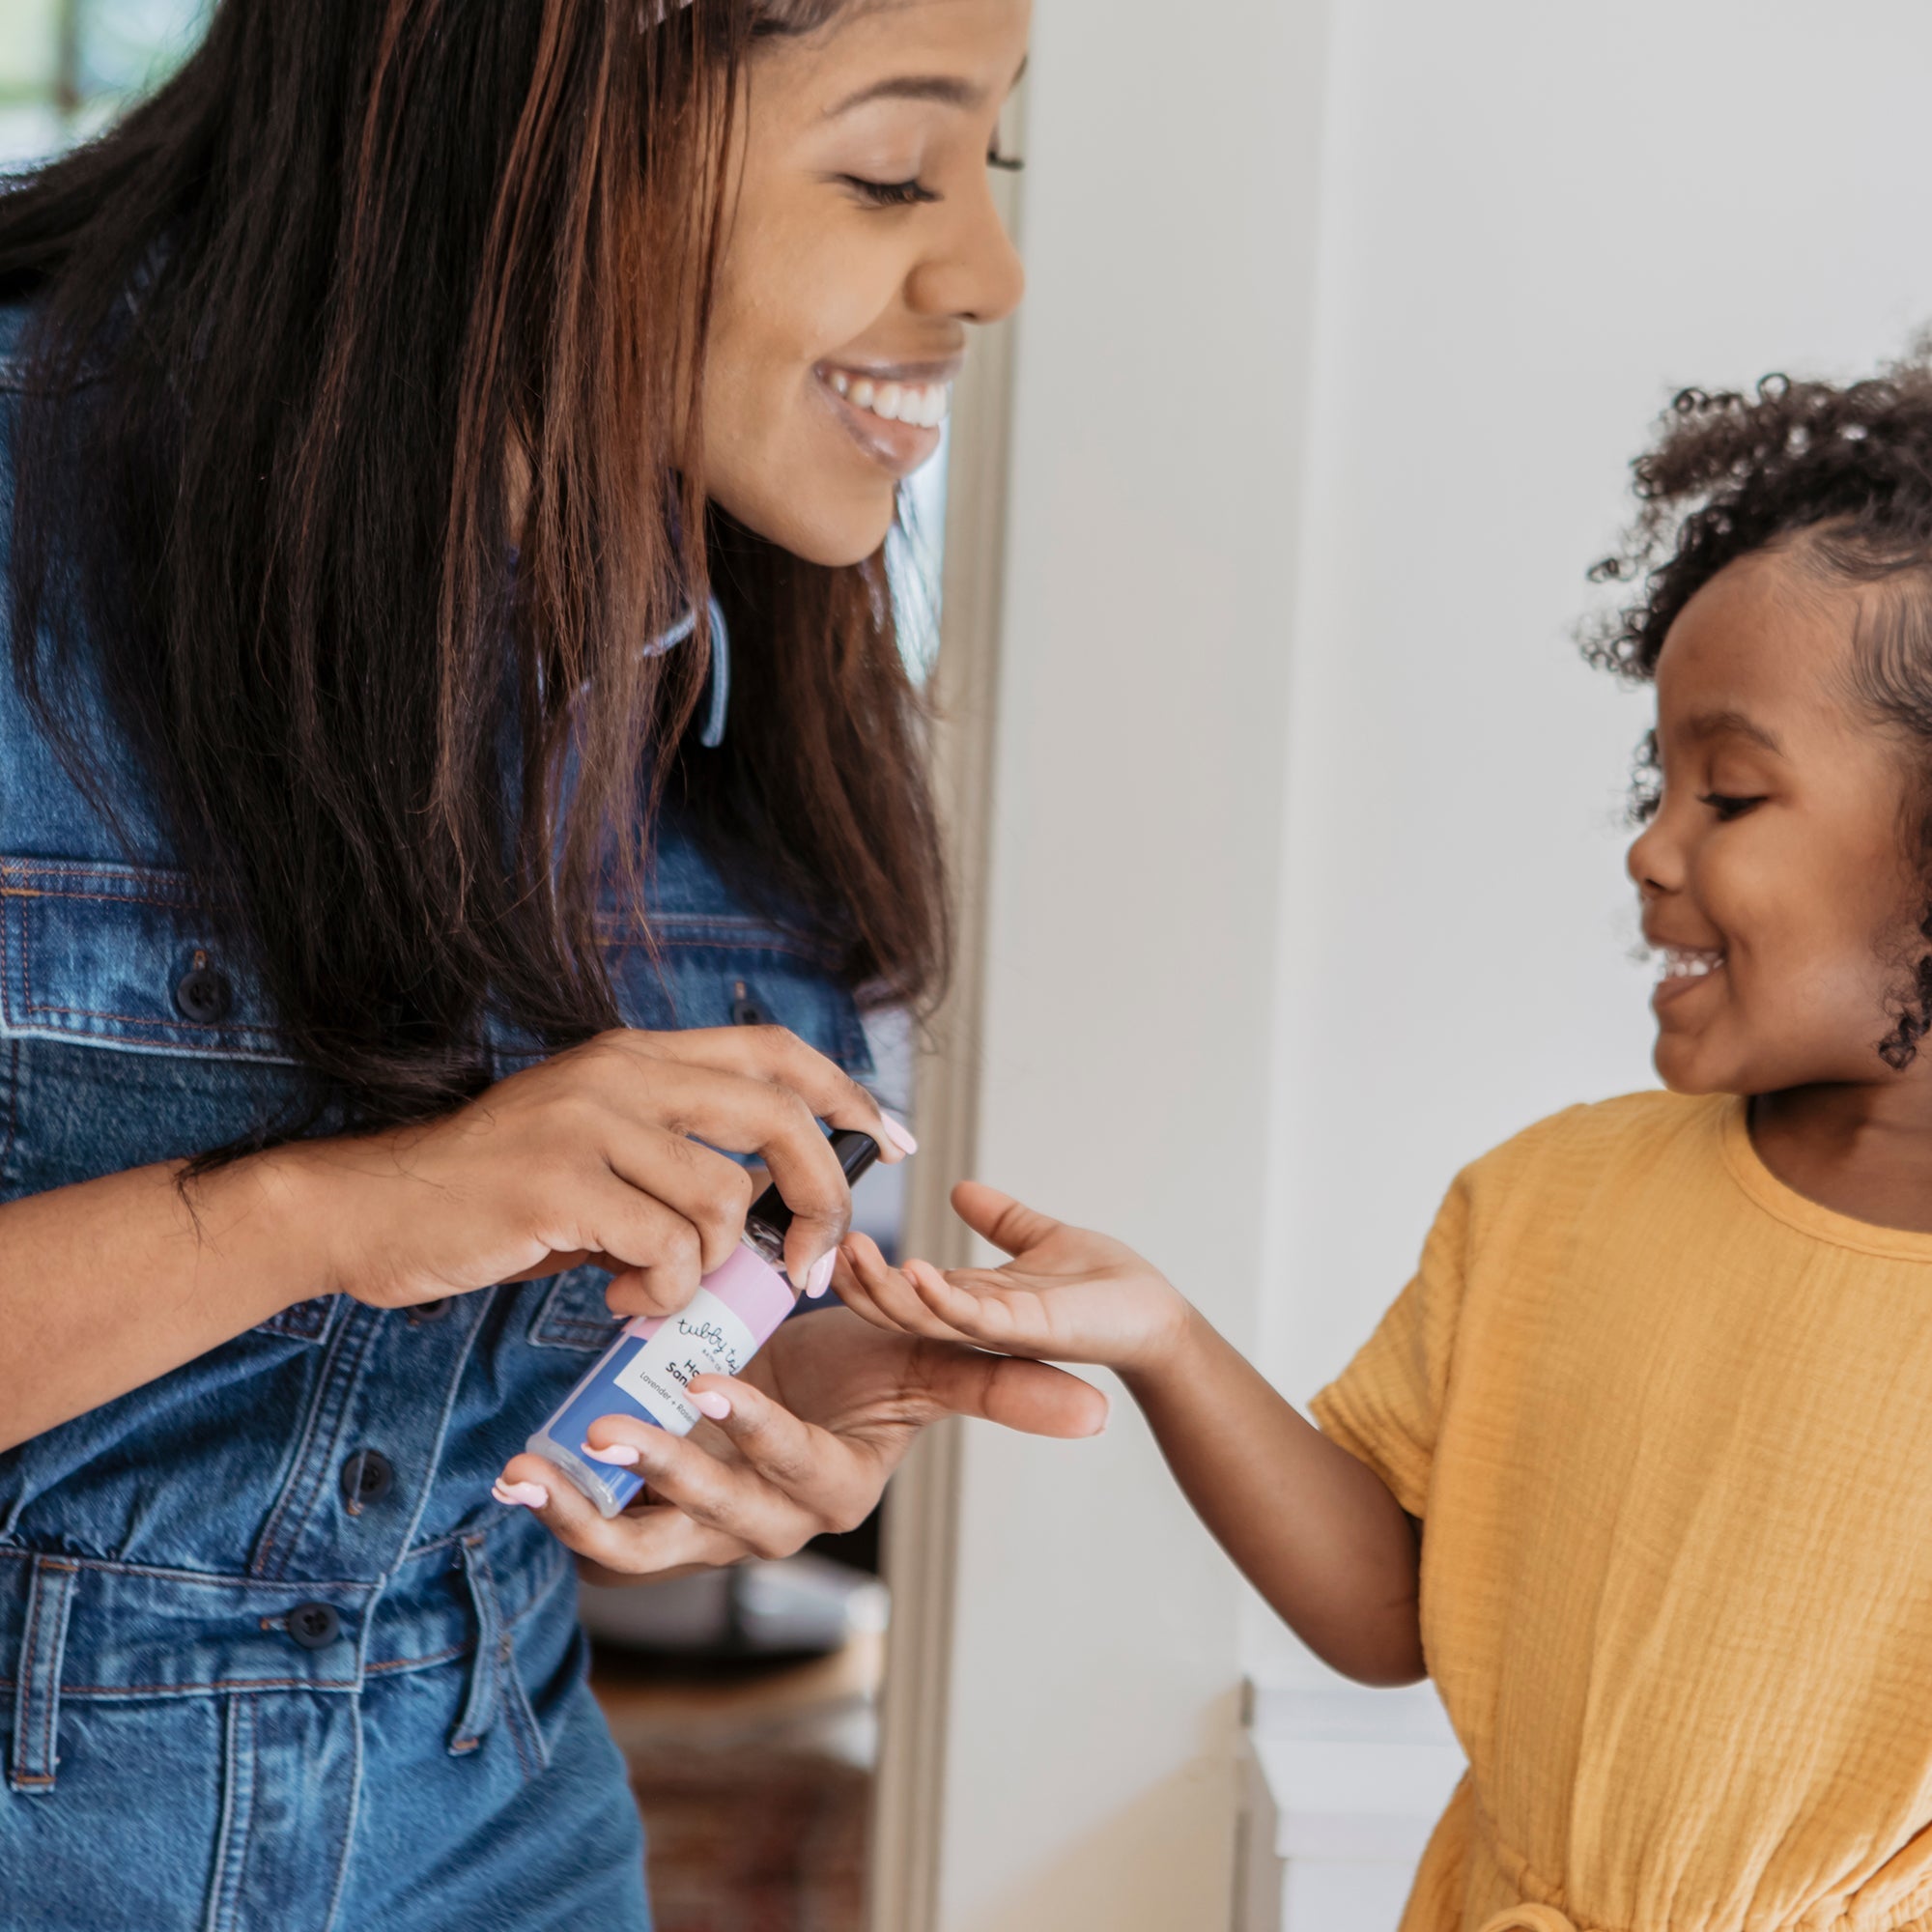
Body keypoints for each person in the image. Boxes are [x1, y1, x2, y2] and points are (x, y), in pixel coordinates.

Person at [0, 3, 1103, 1928]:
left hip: (496, 1835)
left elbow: (451, 1406)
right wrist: (333, 1211)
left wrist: (772, 1379)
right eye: (892, 171)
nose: (988, 273)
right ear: (549, 100)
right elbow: (387, 1231)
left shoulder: (735, 631)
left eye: (987, 164)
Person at [838, 359, 1932, 1932]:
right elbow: (1389, 1615)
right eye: (1661, 783)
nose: (1649, 845)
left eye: (1733, 794)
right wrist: (1165, 1339)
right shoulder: (1551, 1203)